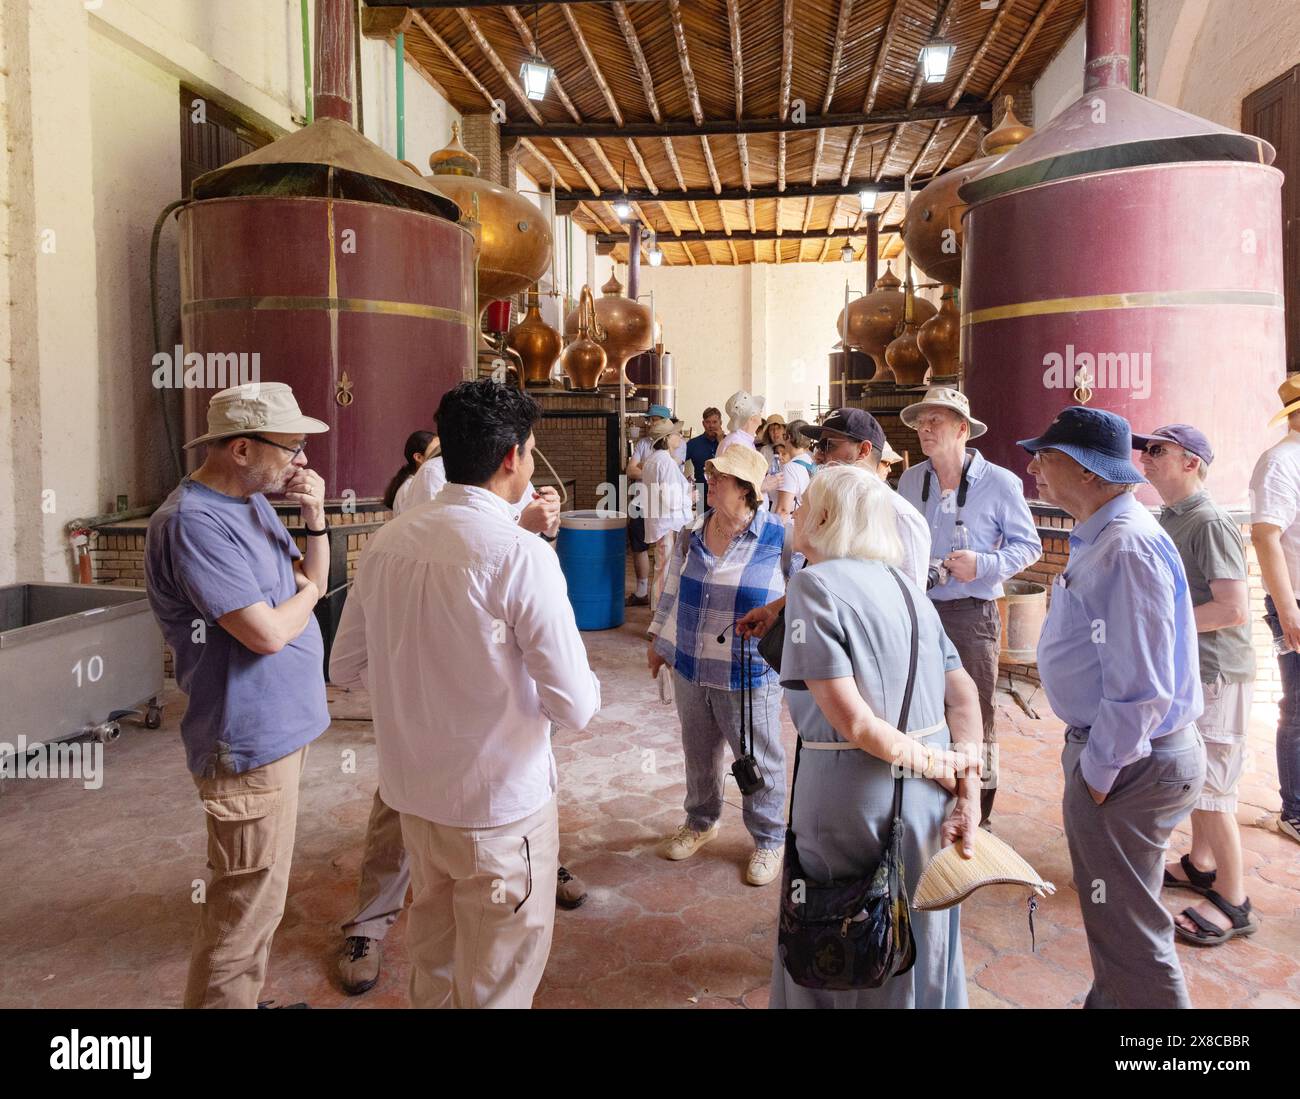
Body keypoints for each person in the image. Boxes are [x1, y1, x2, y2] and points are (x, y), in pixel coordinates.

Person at [330, 380, 601, 1009]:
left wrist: (418, 690)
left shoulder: (387, 543)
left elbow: (344, 663)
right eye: (531, 450)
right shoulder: (519, 555)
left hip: (416, 800)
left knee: (436, 959)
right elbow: (576, 705)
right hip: (500, 808)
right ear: (513, 457)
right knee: (499, 979)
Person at [143, 382, 330, 1009]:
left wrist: (314, 520)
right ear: (243, 449)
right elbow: (270, 632)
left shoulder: (247, 502)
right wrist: (305, 599)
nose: (301, 462)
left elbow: (312, 578)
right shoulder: (193, 523)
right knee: (240, 918)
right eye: (292, 449)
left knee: (263, 899)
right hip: (245, 741)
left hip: (279, 735)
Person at [768, 464, 983, 1008]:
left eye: (801, 506)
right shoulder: (909, 589)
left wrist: (938, 768)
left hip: (851, 800)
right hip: (930, 803)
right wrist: (966, 788)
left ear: (821, 517)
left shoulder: (813, 584)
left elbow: (856, 723)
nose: (792, 515)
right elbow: (965, 698)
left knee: (842, 941)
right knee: (921, 938)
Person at [1021, 406, 1205, 1009]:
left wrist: (1098, 774)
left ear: (1087, 470)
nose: (1036, 468)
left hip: (1129, 763)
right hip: (1127, 758)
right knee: (1117, 915)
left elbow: (1142, 686)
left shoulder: (1125, 546)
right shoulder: (1105, 533)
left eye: (1046, 457)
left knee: (1129, 930)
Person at [1135, 424, 1259, 945]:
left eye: (1158, 451)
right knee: (1201, 783)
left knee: (1213, 791)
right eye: (1145, 451)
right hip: (1196, 671)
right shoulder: (1170, 517)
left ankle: (1234, 900)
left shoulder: (1207, 520)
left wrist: (1163, 619)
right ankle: (1201, 865)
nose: (1146, 459)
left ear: (1191, 462)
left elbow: (1232, 609)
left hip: (1217, 673)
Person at [647, 445, 793, 886]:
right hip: (692, 664)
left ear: (747, 490)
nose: (710, 481)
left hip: (747, 670)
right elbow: (671, 587)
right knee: (699, 751)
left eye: (721, 478)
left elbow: (806, 591)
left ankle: (769, 840)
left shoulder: (779, 537)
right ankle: (701, 821)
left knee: (758, 758)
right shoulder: (693, 532)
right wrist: (657, 638)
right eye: (710, 475)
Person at [899, 387, 1043, 825]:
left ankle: (979, 810)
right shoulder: (909, 481)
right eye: (921, 422)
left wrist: (984, 564)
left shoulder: (999, 483)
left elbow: (1029, 547)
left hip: (970, 615)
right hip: (919, 612)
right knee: (919, 706)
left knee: (976, 712)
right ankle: (927, 800)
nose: (924, 429)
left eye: (935, 422)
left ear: (962, 430)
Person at [1249, 375, 1300, 846]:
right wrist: (1288, 611)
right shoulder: (1281, 461)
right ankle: (1296, 810)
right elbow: (1265, 534)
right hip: (1296, 602)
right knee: (1298, 704)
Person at [803, 409, 930, 587]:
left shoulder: (901, 516)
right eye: (817, 446)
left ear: (863, 450)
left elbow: (910, 599)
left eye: (828, 445)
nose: (818, 456)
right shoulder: (828, 506)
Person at [641, 416, 695, 604]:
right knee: (665, 569)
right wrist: (690, 497)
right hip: (667, 524)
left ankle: (658, 614)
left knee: (662, 566)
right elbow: (671, 499)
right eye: (675, 434)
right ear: (666, 439)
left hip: (661, 522)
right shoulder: (666, 462)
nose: (679, 436)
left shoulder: (653, 460)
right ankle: (658, 617)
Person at [626, 406, 673, 606]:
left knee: (665, 550)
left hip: (663, 502)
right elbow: (630, 471)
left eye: (657, 419)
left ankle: (662, 600)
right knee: (639, 541)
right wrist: (651, 471)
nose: (653, 423)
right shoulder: (643, 443)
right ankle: (642, 591)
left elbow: (671, 471)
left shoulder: (675, 444)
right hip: (640, 499)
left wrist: (645, 468)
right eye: (651, 419)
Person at [385, 430, 438, 513]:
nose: (440, 457)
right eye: (436, 452)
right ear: (419, 457)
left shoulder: (424, 481)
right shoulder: (408, 488)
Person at [774, 419, 816, 519]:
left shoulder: (790, 468)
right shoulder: (811, 462)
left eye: (784, 436)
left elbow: (783, 510)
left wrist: (772, 533)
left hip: (792, 526)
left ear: (789, 437)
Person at [685, 406, 723, 509]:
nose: (711, 425)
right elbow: (677, 462)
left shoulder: (728, 442)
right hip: (701, 491)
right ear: (703, 423)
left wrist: (721, 441)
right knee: (702, 524)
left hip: (723, 491)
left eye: (715, 422)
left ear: (721, 423)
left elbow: (733, 463)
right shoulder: (693, 444)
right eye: (708, 422)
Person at [716, 390, 764, 457]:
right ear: (751, 417)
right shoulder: (737, 444)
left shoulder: (742, 440)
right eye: (758, 410)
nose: (761, 411)